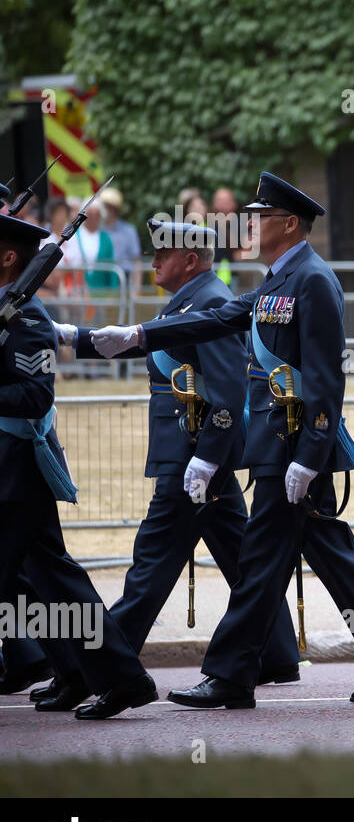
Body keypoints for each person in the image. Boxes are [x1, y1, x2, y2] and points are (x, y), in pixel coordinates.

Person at [90, 172, 354, 708]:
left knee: (261, 563)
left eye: (260, 217)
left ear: (290, 224)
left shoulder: (313, 280)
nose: (249, 224)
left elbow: (325, 378)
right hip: (277, 448)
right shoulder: (277, 280)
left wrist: (312, 456)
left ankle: (230, 675)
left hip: (295, 449)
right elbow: (220, 317)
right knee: (329, 555)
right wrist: (140, 335)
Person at [22, 220, 301, 711]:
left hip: (193, 459)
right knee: (245, 561)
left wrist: (207, 458)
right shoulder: (194, 299)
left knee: (148, 572)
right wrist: (72, 336)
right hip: (196, 457)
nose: (152, 263)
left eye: (162, 255)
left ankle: (104, 671)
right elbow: (140, 342)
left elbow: (228, 391)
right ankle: (276, 653)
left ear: (190, 260)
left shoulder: (210, 301)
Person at [0, 214, 158, 718]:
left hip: (15, 472)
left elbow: (32, 394)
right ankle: (82, 673)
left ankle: (122, 678)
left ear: (8, 258)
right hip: (7, 473)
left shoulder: (25, 317)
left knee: (48, 580)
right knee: (48, 581)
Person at [99, 186, 143, 295]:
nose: (106, 210)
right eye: (104, 206)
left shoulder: (128, 231)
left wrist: (136, 290)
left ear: (116, 209)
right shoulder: (96, 231)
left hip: (124, 281)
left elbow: (136, 261)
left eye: (110, 207)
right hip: (102, 280)